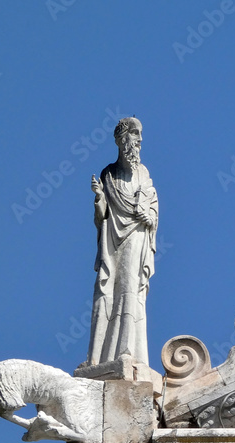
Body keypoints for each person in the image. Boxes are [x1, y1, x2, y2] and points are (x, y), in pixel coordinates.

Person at [86, 117, 158, 367]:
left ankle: (128, 351)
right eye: (135, 133)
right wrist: (99, 199)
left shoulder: (143, 172)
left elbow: (153, 205)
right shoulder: (108, 174)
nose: (139, 140)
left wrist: (148, 216)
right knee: (106, 291)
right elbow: (103, 216)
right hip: (112, 239)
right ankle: (99, 358)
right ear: (122, 138)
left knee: (129, 289)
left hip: (136, 235)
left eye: (140, 135)